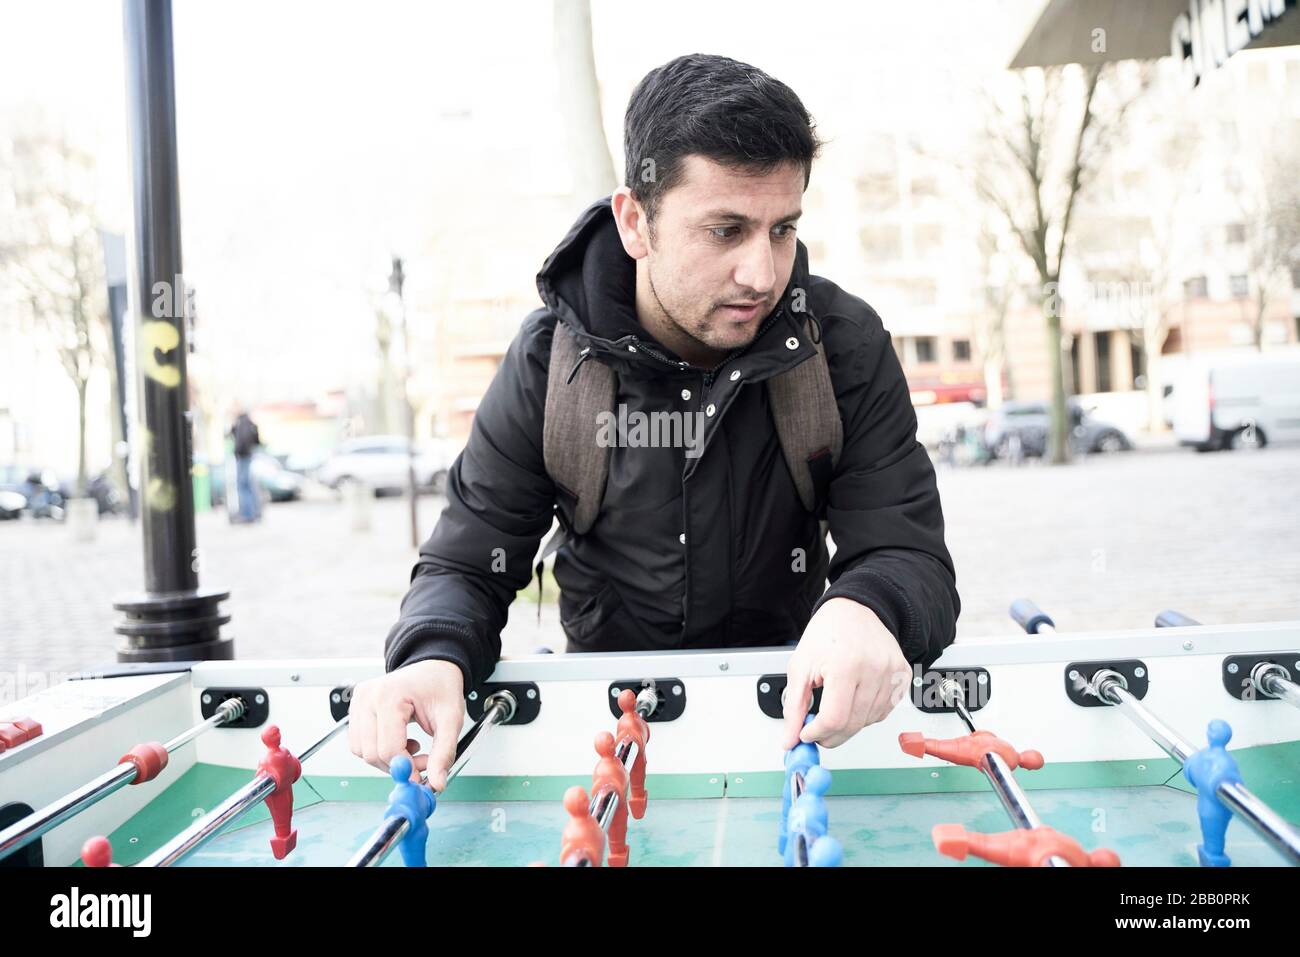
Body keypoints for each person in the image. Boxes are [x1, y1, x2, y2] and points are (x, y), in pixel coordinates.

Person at [349, 54, 961, 789]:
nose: (763, 274)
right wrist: (432, 655)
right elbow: (467, 563)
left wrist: (870, 607)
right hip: (604, 743)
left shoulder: (846, 346)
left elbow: (909, 554)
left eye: (782, 229)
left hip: (796, 732)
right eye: (725, 230)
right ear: (635, 221)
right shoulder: (549, 364)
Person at [230, 407, 262, 523]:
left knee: (243, 486)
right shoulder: (248, 422)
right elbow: (257, 440)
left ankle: (247, 514)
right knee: (248, 485)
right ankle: (254, 512)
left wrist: (238, 452)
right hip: (247, 456)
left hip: (243, 457)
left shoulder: (242, 422)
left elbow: (240, 440)